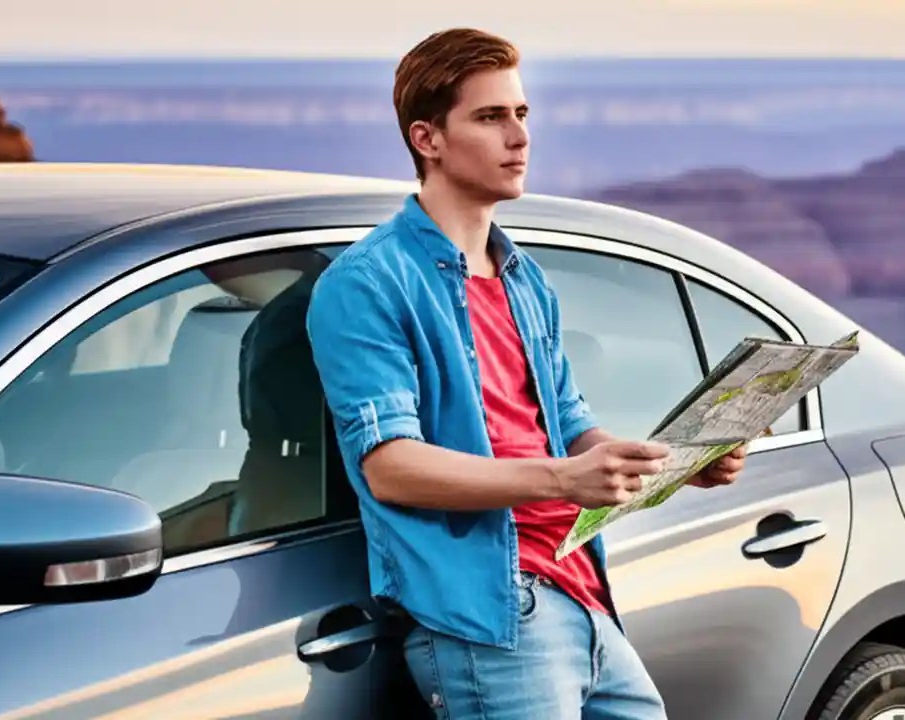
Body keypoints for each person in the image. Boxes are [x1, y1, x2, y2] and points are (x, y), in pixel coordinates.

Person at [305, 27, 747, 719]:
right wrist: (562, 480)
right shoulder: (368, 284)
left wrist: (672, 461)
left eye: (522, 114)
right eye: (490, 117)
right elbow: (389, 466)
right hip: (495, 618)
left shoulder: (524, 280)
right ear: (428, 140)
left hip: (581, 594)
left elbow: (568, 426)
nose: (519, 137)